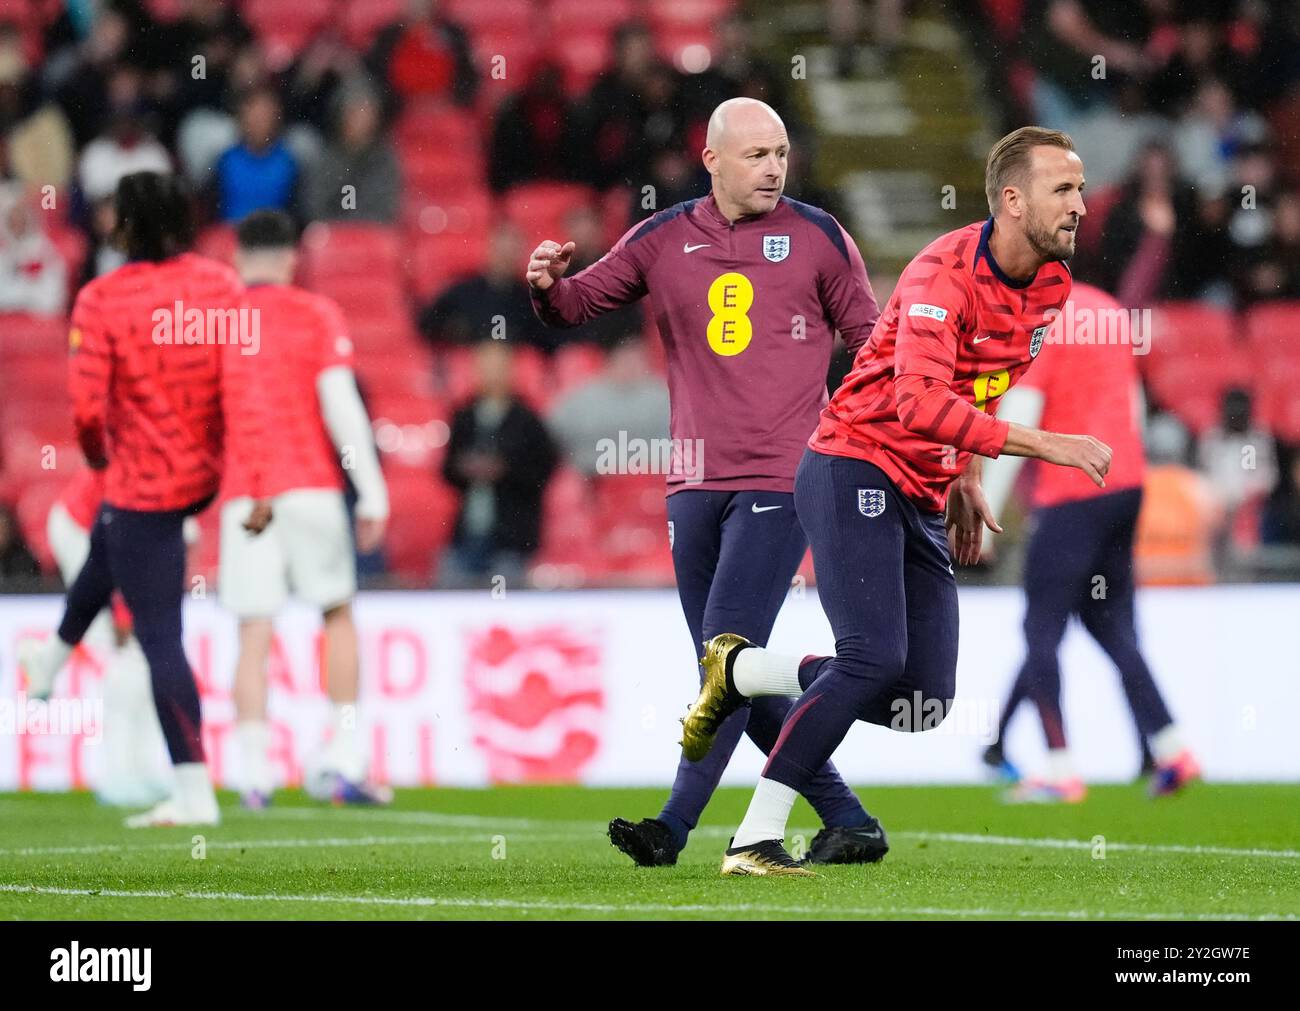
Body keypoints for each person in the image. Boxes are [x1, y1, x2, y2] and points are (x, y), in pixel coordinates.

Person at [681, 126, 1110, 876]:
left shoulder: (1050, 285)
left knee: (924, 698)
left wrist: (969, 473)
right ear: (1012, 200)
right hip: (853, 465)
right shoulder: (942, 274)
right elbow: (915, 400)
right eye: (1063, 190)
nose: (1080, 203)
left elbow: (978, 381)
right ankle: (754, 836)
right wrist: (1046, 443)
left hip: (922, 486)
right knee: (872, 656)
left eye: (1079, 188)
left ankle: (740, 675)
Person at [527, 97, 886, 868]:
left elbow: (872, 346)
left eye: (782, 153)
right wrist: (546, 286)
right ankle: (848, 816)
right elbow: (578, 303)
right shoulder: (662, 236)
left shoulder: (820, 237)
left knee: (726, 656)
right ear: (713, 160)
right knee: (729, 670)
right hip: (692, 484)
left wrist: (861, 444)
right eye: (757, 154)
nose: (773, 168)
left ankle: (673, 825)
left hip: (785, 475)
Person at [16, 171, 271, 828]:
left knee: (158, 635)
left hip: (140, 487)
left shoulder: (101, 300)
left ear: (122, 226)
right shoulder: (220, 288)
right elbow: (244, 394)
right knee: (108, 553)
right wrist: (258, 482)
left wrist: (101, 458)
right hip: (197, 478)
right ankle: (49, 661)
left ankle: (193, 792)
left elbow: (85, 408)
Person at [977, 281, 1199, 801]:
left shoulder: (1039, 316)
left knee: (1040, 630)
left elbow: (1023, 413)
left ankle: (1060, 769)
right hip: (1125, 483)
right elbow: (1132, 400)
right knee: (1113, 625)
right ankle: (1174, 747)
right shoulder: (1107, 309)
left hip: (1071, 490)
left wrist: (986, 502)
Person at [221, 210, 392, 809]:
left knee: (253, 631)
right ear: (293, 258)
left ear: (238, 260)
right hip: (311, 488)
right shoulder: (315, 313)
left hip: (247, 496)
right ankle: (342, 761)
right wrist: (370, 489)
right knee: (337, 615)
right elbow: (340, 407)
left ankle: (253, 776)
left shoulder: (220, 323)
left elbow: (202, 423)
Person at [44, 468, 171, 807]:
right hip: (83, 528)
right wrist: (122, 609)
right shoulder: (144, 466)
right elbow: (119, 529)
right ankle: (117, 774)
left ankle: (142, 767)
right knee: (128, 650)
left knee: (142, 652)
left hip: (113, 527)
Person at [438, 340, 557, 588]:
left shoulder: (527, 420)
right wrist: (466, 469)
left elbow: (542, 470)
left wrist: (504, 470)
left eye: (497, 367)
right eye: (485, 367)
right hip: (467, 532)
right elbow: (447, 469)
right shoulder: (464, 416)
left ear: (510, 370)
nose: (491, 374)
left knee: (508, 604)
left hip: (512, 536)